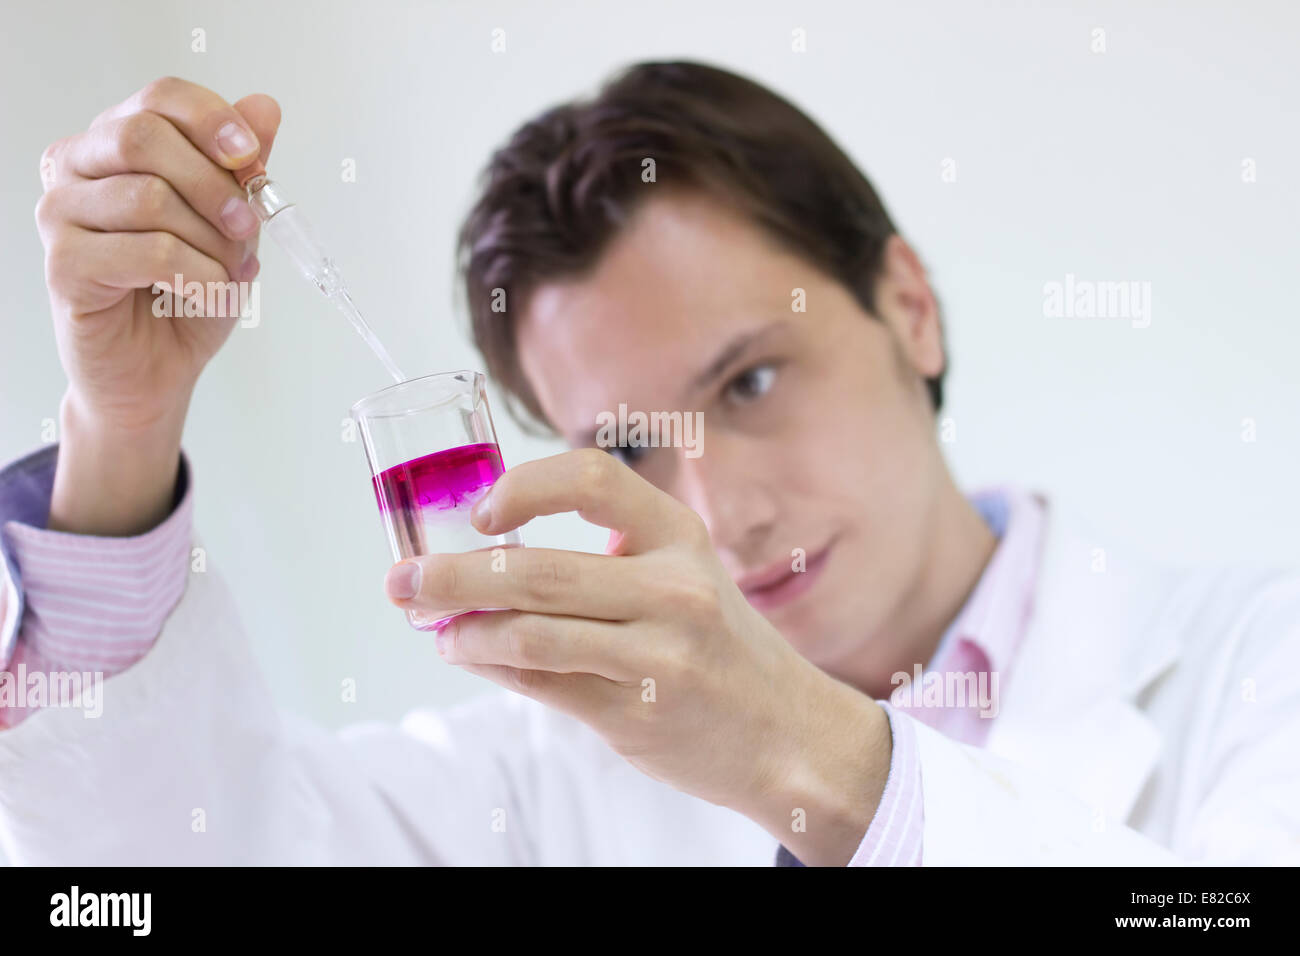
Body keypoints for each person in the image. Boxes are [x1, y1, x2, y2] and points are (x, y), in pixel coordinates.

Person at [1, 62, 1296, 866]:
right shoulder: (542, 783)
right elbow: (149, 870)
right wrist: (122, 428)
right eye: (627, 449)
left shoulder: (1258, 673)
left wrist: (808, 760)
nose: (723, 515)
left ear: (909, 305)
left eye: (753, 381)